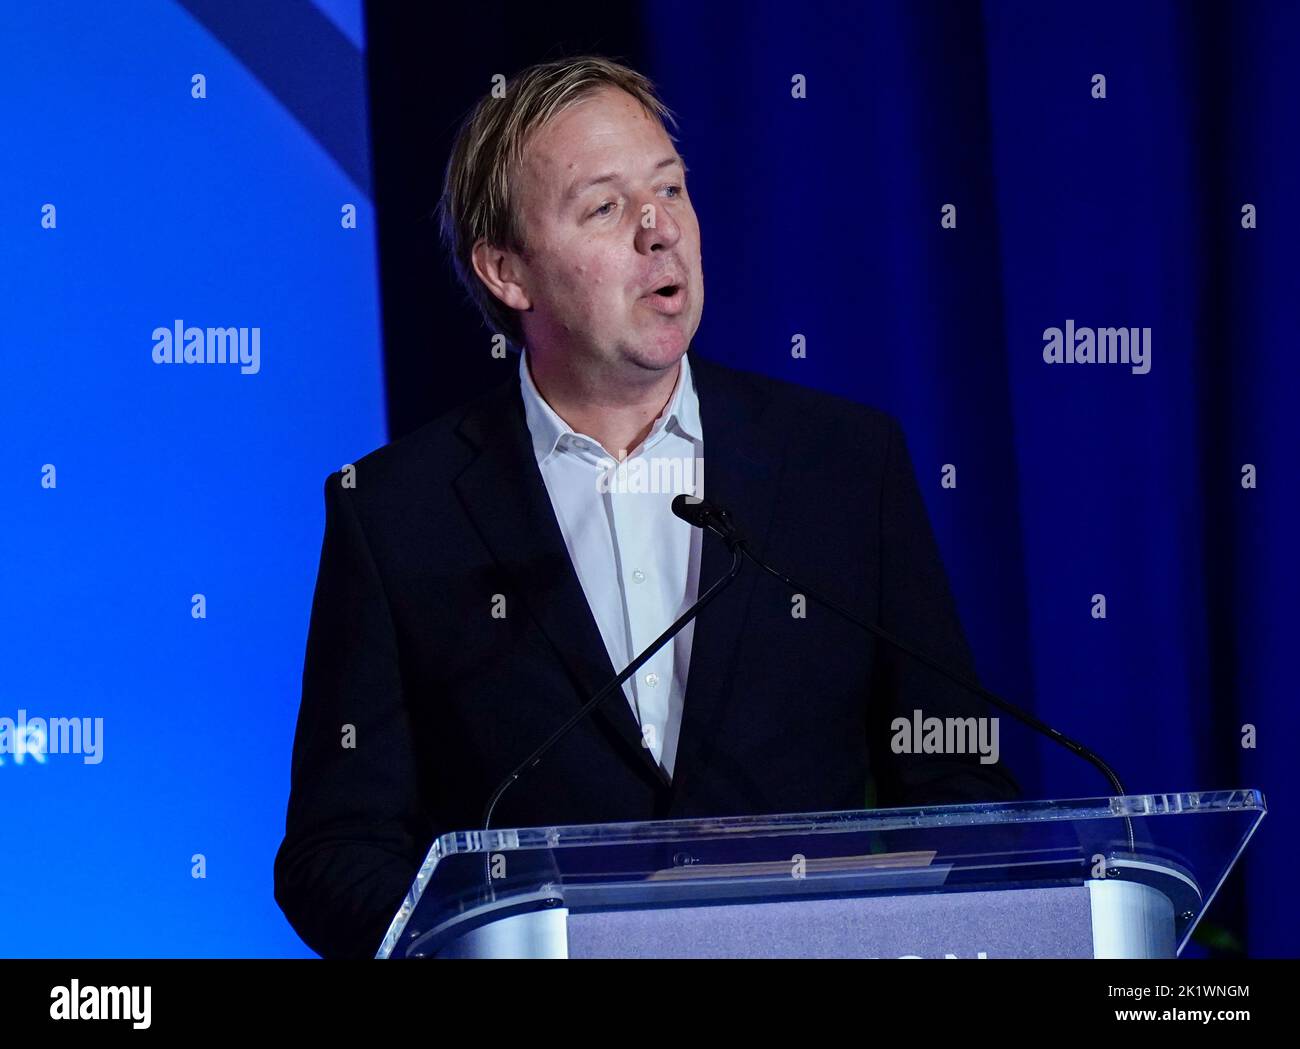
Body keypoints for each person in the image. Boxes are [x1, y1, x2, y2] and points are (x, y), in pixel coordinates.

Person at [274, 55, 1019, 960]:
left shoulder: (841, 465)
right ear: (509, 272)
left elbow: (954, 771)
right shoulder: (397, 513)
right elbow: (335, 848)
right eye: (606, 207)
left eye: (670, 188)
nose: (660, 229)